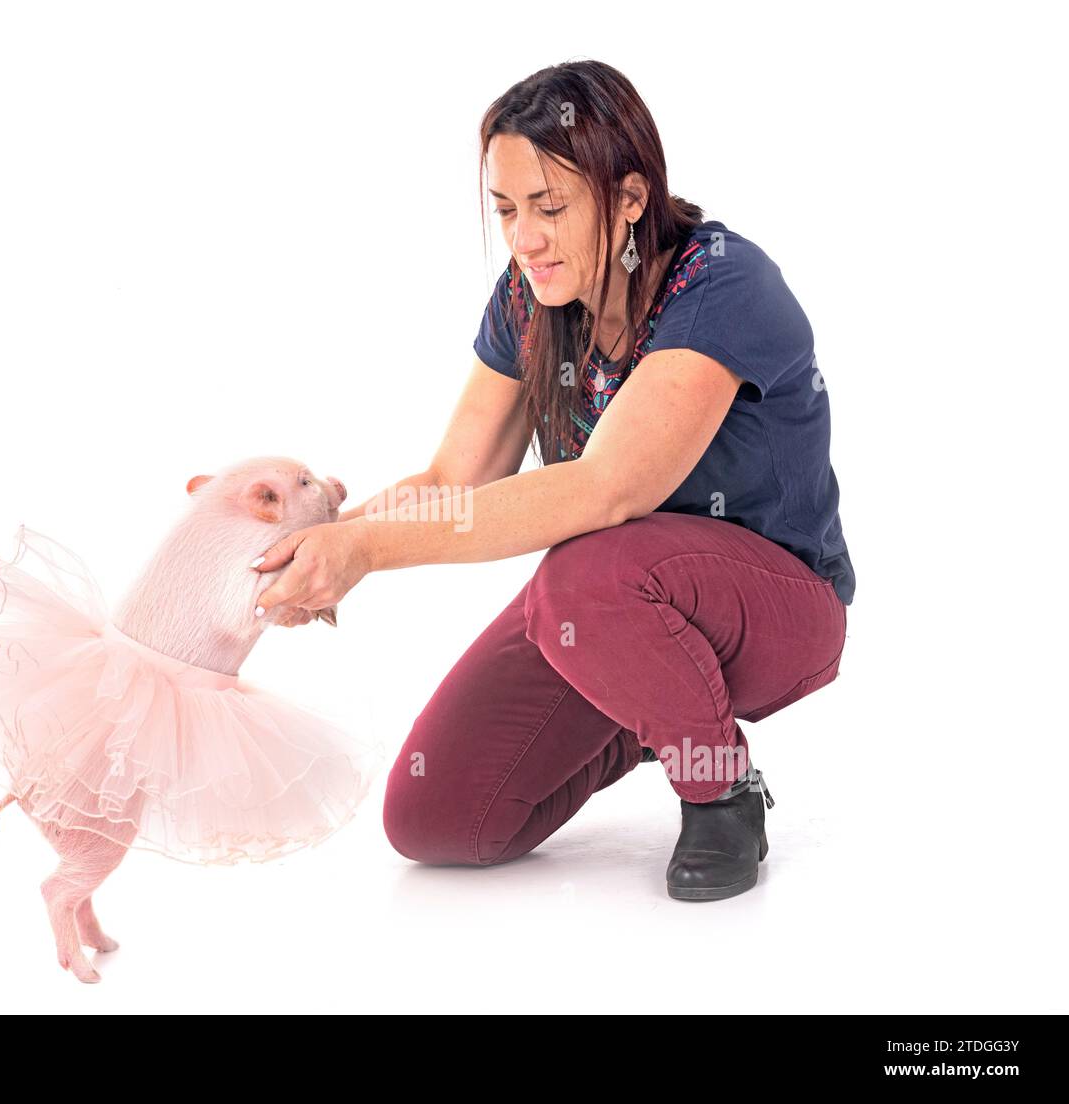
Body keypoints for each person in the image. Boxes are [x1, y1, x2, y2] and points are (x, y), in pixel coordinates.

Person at [250, 59, 854, 901]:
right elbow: (455, 476)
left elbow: (606, 490)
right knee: (437, 819)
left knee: (579, 571)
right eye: (505, 210)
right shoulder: (529, 297)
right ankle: (651, 703)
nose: (524, 238)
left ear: (632, 199)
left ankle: (719, 786)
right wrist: (326, 544)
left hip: (777, 612)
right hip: (613, 613)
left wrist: (366, 552)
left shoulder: (722, 285)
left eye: (551, 208)